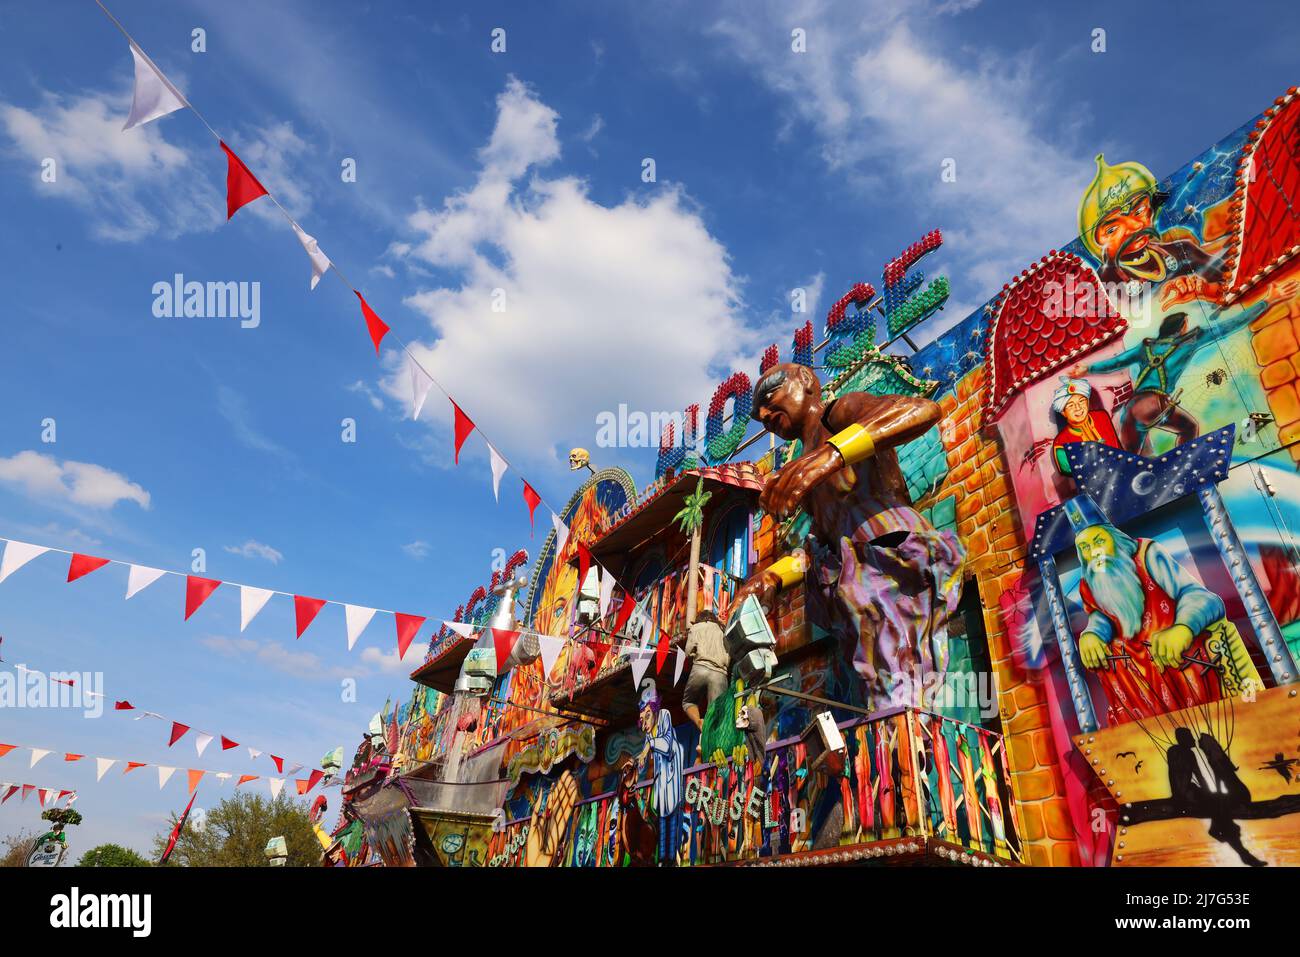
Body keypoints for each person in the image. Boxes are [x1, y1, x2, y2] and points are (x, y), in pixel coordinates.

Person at [729, 363, 964, 712]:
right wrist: (773, 576)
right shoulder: (803, 459)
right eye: (757, 412)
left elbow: (922, 410)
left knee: (902, 688)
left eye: (769, 396)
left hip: (891, 556)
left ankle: (920, 750)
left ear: (806, 381)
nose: (763, 413)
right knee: (882, 694)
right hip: (853, 587)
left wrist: (830, 455)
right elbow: (823, 539)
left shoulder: (840, 413)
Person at [1067, 494, 1247, 723]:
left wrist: (1182, 628)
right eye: (1084, 547)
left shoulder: (1148, 554)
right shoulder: (1089, 583)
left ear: (1116, 539)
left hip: (1176, 658)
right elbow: (1102, 617)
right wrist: (1091, 635)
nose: (1093, 553)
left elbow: (1199, 596)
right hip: (1135, 672)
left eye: (1099, 542)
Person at [1071, 303, 1266, 454]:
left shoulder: (1145, 347)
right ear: (1182, 328)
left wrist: (1088, 368)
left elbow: (1117, 362)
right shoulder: (1188, 342)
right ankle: (1182, 463)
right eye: (1186, 325)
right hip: (1155, 403)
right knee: (1190, 427)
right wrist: (1264, 304)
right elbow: (1226, 327)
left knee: (1132, 458)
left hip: (1131, 409)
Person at [1166, 726, 1265, 867]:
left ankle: (1241, 852)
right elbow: (1199, 777)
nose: (1194, 739)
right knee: (1220, 803)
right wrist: (1211, 794)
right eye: (1190, 737)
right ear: (1183, 739)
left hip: (1182, 793)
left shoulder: (1173, 751)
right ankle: (1243, 854)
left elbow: (1177, 776)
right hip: (1187, 794)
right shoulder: (1187, 754)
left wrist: (1209, 794)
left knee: (1218, 804)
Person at [636, 681, 685, 865]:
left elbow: (665, 744)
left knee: (672, 820)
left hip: (672, 780)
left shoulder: (664, 716)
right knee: (662, 820)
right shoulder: (649, 734)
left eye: (647, 716)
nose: (644, 723)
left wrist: (649, 746)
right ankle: (663, 859)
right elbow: (644, 758)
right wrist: (637, 763)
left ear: (655, 711)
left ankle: (670, 858)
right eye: (642, 719)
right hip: (662, 785)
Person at [1049, 377, 1121, 475]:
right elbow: (1067, 469)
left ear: (1087, 402)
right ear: (1063, 412)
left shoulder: (1102, 416)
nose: (1078, 408)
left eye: (1081, 401)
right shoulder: (1060, 442)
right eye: (1071, 405)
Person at [679, 609, 728, 732]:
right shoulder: (723, 631)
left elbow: (688, 651)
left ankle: (699, 722)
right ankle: (712, 737)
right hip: (719, 673)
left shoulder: (696, 628)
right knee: (716, 713)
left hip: (700, 669)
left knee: (688, 702)